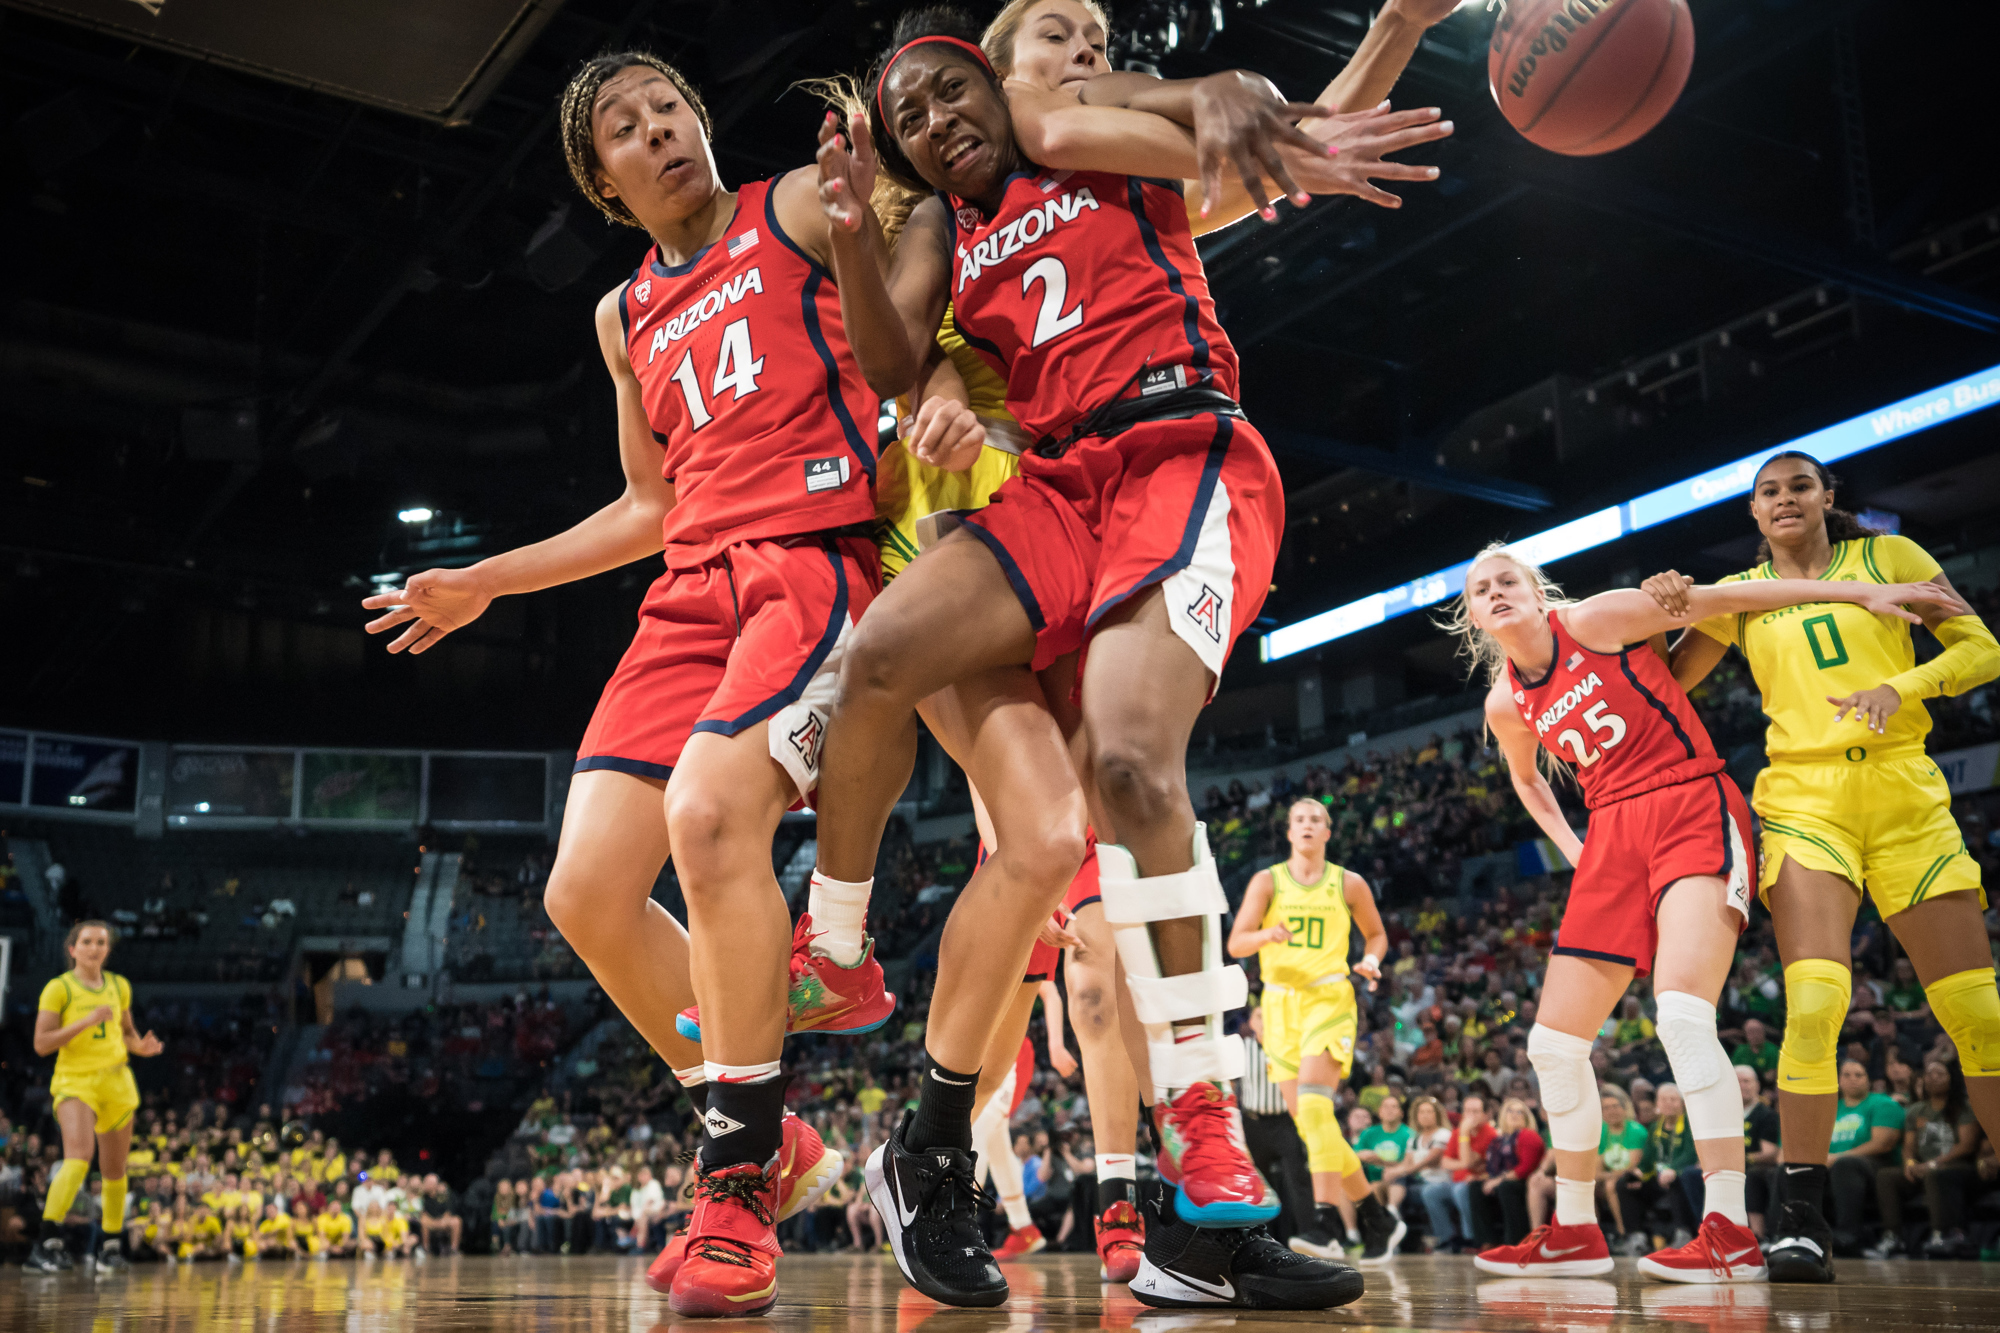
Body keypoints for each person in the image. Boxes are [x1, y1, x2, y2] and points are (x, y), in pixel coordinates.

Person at [817, 4, 1451, 1313]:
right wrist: (916, 364)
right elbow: (893, 376)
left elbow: (1290, 132)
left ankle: (1188, 1182)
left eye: (958, 93)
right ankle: (922, 1097)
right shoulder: (936, 230)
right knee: (1029, 818)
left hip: (1174, 463)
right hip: (1029, 515)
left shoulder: (1110, 156)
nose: (945, 121)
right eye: (916, 112)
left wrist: (1391, 28)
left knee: (1113, 804)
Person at [362, 48, 867, 1314]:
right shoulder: (620, 313)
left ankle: (738, 1173)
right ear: (603, 181)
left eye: (672, 112)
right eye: (631, 130)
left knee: (707, 817)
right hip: (690, 590)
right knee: (585, 889)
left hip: (810, 561)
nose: (662, 135)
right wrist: (488, 580)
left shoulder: (796, 206)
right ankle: (761, 1122)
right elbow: (650, 506)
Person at [1447, 541, 1950, 1284]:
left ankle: (1728, 1228)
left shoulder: (1596, 618)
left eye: (1507, 579)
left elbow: (1728, 601)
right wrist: (1573, 845)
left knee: (1681, 1015)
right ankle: (1575, 1231)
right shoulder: (1504, 701)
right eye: (1480, 588)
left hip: (1689, 802)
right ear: (1472, 617)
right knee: (1552, 1045)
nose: (1496, 592)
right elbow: (1527, 781)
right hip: (1611, 834)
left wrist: (1857, 595)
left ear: (1534, 587)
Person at [1644, 449, 2000, 1283]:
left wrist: (1903, 688)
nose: (1785, 499)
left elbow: (1982, 650)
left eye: (1800, 485)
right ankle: (1800, 1221)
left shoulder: (1890, 557)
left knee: (1979, 1014)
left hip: (1907, 795)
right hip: (1802, 800)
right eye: (1769, 492)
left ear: (1828, 497)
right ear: (1755, 515)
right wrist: (1663, 612)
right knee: (1815, 1000)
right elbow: (1662, 689)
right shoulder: (1740, 595)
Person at [1228, 798, 1399, 1261]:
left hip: (1328, 999)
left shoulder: (1349, 883)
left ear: (1327, 832)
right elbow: (1237, 940)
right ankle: (1375, 1218)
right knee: (1312, 1125)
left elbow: (1377, 934)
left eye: (1315, 820)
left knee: (1314, 1109)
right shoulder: (1267, 881)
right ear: (1289, 833)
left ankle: (1325, 1224)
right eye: (1299, 820)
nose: (1307, 825)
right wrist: (1266, 935)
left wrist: (1370, 959)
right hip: (1279, 1006)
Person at [25, 921, 163, 1272]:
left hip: (116, 1083)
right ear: (72, 949)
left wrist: (141, 1048)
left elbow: (128, 1033)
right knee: (79, 1157)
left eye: (101, 942)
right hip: (76, 1081)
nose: (94, 947)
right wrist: (84, 1022)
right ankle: (46, 1241)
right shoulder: (59, 988)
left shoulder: (119, 985)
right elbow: (42, 1043)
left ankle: (111, 1247)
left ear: (107, 949)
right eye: (86, 941)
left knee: (115, 1170)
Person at [1863, 1057, 1982, 1259]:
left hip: (1958, 1168)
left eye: (1940, 1073)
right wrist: (1910, 1163)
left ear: (1952, 1079)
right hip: (1925, 1169)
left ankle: (1941, 1234)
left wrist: (1934, 1163)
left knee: (1936, 1174)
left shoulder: (1964, 1107)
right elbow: (1909, 1147)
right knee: (1886, 1176)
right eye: (1929, 1074)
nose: (1933, 1078)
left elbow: (1966, 1145)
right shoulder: (1917, 1110)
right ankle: (1893, 1238)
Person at [1422, 1092, 1494, 1254]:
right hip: (1456, 1180)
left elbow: (1468, 1162)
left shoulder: (1489, 1134)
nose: (1470, 1116)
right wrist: (1461, 1162)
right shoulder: (1458, 1131)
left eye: (1475, 1111)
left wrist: (1464, 1135)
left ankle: (1471, 1238)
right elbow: (1445, 1162)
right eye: (1467, 1111)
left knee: (1460, 1190)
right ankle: (1446, 1237)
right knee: (1430, 1192)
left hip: (1476, 1182)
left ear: (1485, 1115)